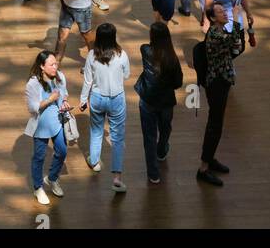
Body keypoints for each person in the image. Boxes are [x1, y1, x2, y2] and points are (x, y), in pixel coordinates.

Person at [193, 3, 246, 186]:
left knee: (217, 123)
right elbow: (233, 41)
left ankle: (210, 158)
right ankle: (203, 167)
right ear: (213, 18)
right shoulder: (216, 34)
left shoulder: (220, 31)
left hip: (221, 81)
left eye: (225, 10)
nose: (225, 12)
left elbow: (236, 47)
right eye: (221, 12)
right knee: (214, 125)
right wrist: (237, 18)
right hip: (216, 83)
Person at [80, 22, 130, 192]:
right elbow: (127, 74)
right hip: (116, 98)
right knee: (117, 138)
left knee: (96, 131)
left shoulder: (92, 56)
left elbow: (88, 79)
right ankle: (116, 177)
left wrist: (82, 99)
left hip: (97, 98)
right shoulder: (122, 54)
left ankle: (94, 161)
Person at [136, 22, 184, 184]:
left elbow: (146, 46)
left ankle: (153, 173)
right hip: (166, 101)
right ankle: (162, 149)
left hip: (148, 101)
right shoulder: (172, 59)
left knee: (149, 137)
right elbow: (178, 82)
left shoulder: (145, 50)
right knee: (165, 128)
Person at [25, 50, 71, 205]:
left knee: (62, 150)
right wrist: (50, 99)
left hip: (57, 122)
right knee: (39, 157)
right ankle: (38, 187)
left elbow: (64, 94)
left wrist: (64, 101)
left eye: (56, 63)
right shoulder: (33, 84)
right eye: (51, 64)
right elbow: (32, 108)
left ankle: (52, 178)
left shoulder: (60, 77)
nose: (55, 67)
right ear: (42, 66)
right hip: (41, 126)